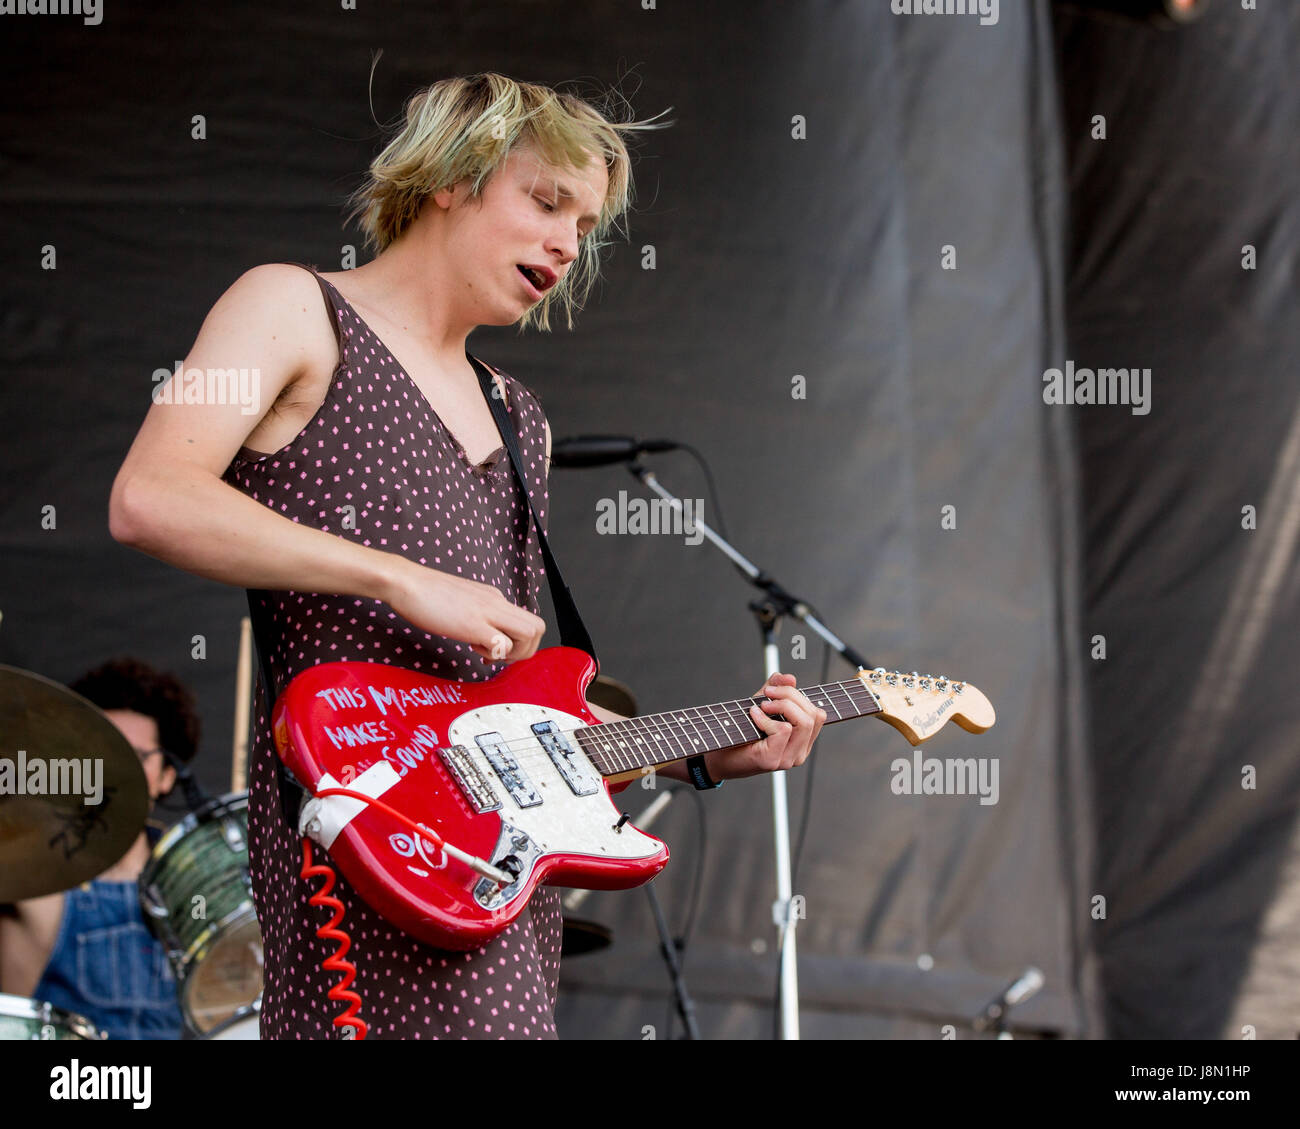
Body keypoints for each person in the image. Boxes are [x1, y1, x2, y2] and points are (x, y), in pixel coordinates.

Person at [108, 72, 827, 1039]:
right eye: (546, 202)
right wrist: (394, 575)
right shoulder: (292, 308)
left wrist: (697, 756)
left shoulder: (515, 414)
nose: (568, 244)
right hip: (362, 845)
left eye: (586, 224)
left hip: (496, 886)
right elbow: (152, 498)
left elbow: (515, 723)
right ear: (450, 177)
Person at [0, 657, 198, 1039]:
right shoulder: (34, 884)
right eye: (98, 752)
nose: (113, 769)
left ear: (167, 776)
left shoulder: (197, 887)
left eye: (135, 757)